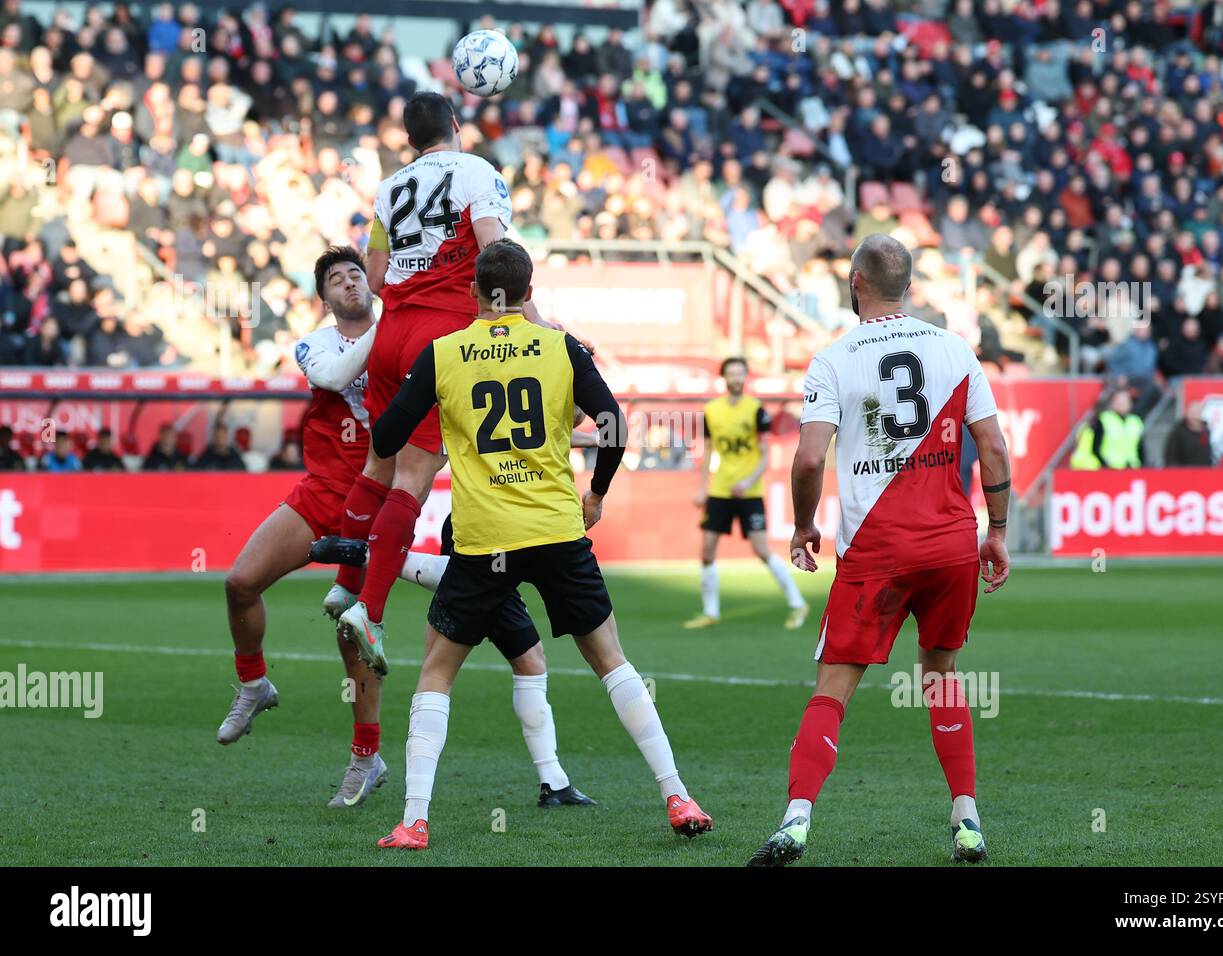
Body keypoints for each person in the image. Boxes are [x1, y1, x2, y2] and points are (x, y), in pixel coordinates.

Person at [362, 238, 712, 849]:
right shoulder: (561, 347)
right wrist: (597, 493)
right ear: (530, 293)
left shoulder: (443, 353)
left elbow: (389, 436)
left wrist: (442, 411)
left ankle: (414, 819)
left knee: (437, 673)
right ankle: (676, 794)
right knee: (611, 660)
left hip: (483, 537)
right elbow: (614, 423)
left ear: (474, 292)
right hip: (556, 529)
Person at [218, 246, 594, 809]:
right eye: (336, 279)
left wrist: (545, 335)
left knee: (355, 632)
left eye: (354, 274)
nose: (349, 282)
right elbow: (336, 373)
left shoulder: (427, 335)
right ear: (324, 297)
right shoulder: (320, 344)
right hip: (327, 491)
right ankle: (254, 683)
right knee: (240, 581)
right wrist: (396, 317)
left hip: (395, 498)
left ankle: (366, 757)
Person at [748, 235, 1011, 867]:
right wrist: (996, 531)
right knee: (942, 680)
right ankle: (967, 819)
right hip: (951, 545)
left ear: (855, 281)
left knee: (833, 688)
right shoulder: (954, 350)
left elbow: (810, 456)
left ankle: (796, 821)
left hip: (876, 550)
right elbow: (995, 449)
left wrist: (804, 525)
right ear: (909, 284)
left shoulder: (834, 359)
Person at [329, 91, 559, 656]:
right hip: (440, 337)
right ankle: (370, 614)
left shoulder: (388, 187)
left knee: (379, 462)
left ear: (409, 140)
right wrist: (542, 326)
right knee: (413, 476)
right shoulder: (477, 171)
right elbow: (496, 254)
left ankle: (345, 584)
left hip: (392, 333)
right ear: (456, 125)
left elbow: (376, 276)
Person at [683, 356, 808, 630]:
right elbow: (707, 453)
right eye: (732, 374)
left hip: (749, 491)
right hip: (720, 490)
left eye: (741, 374)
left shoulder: (756, 410)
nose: (736, 378)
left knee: (761, 549)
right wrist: (703, 487)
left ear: (745, 377)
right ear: (724, 378)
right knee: (706, 550)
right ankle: (710, 612)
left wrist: (748, 480)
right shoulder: (712, 410)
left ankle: (798, 603)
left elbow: (765, 455)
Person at [1068, 390, 1145, 470]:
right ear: (1112, 403)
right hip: (1109, 468)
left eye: (1125, 401)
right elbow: (1095, 447)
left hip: (1131, 467)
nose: (1122, 404)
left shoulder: (1135, 421)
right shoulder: (1104, 420)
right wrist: (1104, 466)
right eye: (1119, 401)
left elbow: (1140, 447)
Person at [1163, 400, 1213, 467]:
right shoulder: (1178, 431)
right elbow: (1171, 455)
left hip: (1203, 472)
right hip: (1184, 472)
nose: (1196, 416)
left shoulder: (1205, 431)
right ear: (1188, 413)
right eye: (1194, 413)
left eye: (1198, 412)